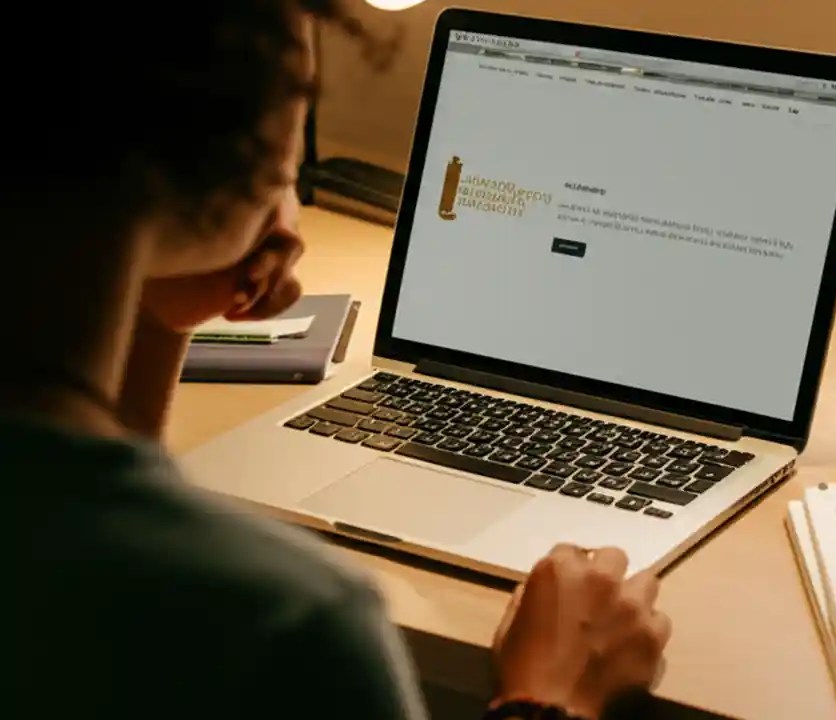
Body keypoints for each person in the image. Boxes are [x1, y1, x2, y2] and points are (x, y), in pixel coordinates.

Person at [7, 2, 670, 719]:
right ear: (227, 134)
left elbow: (93, 525)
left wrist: (158, 299)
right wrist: (549, 698)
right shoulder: (286, 628)